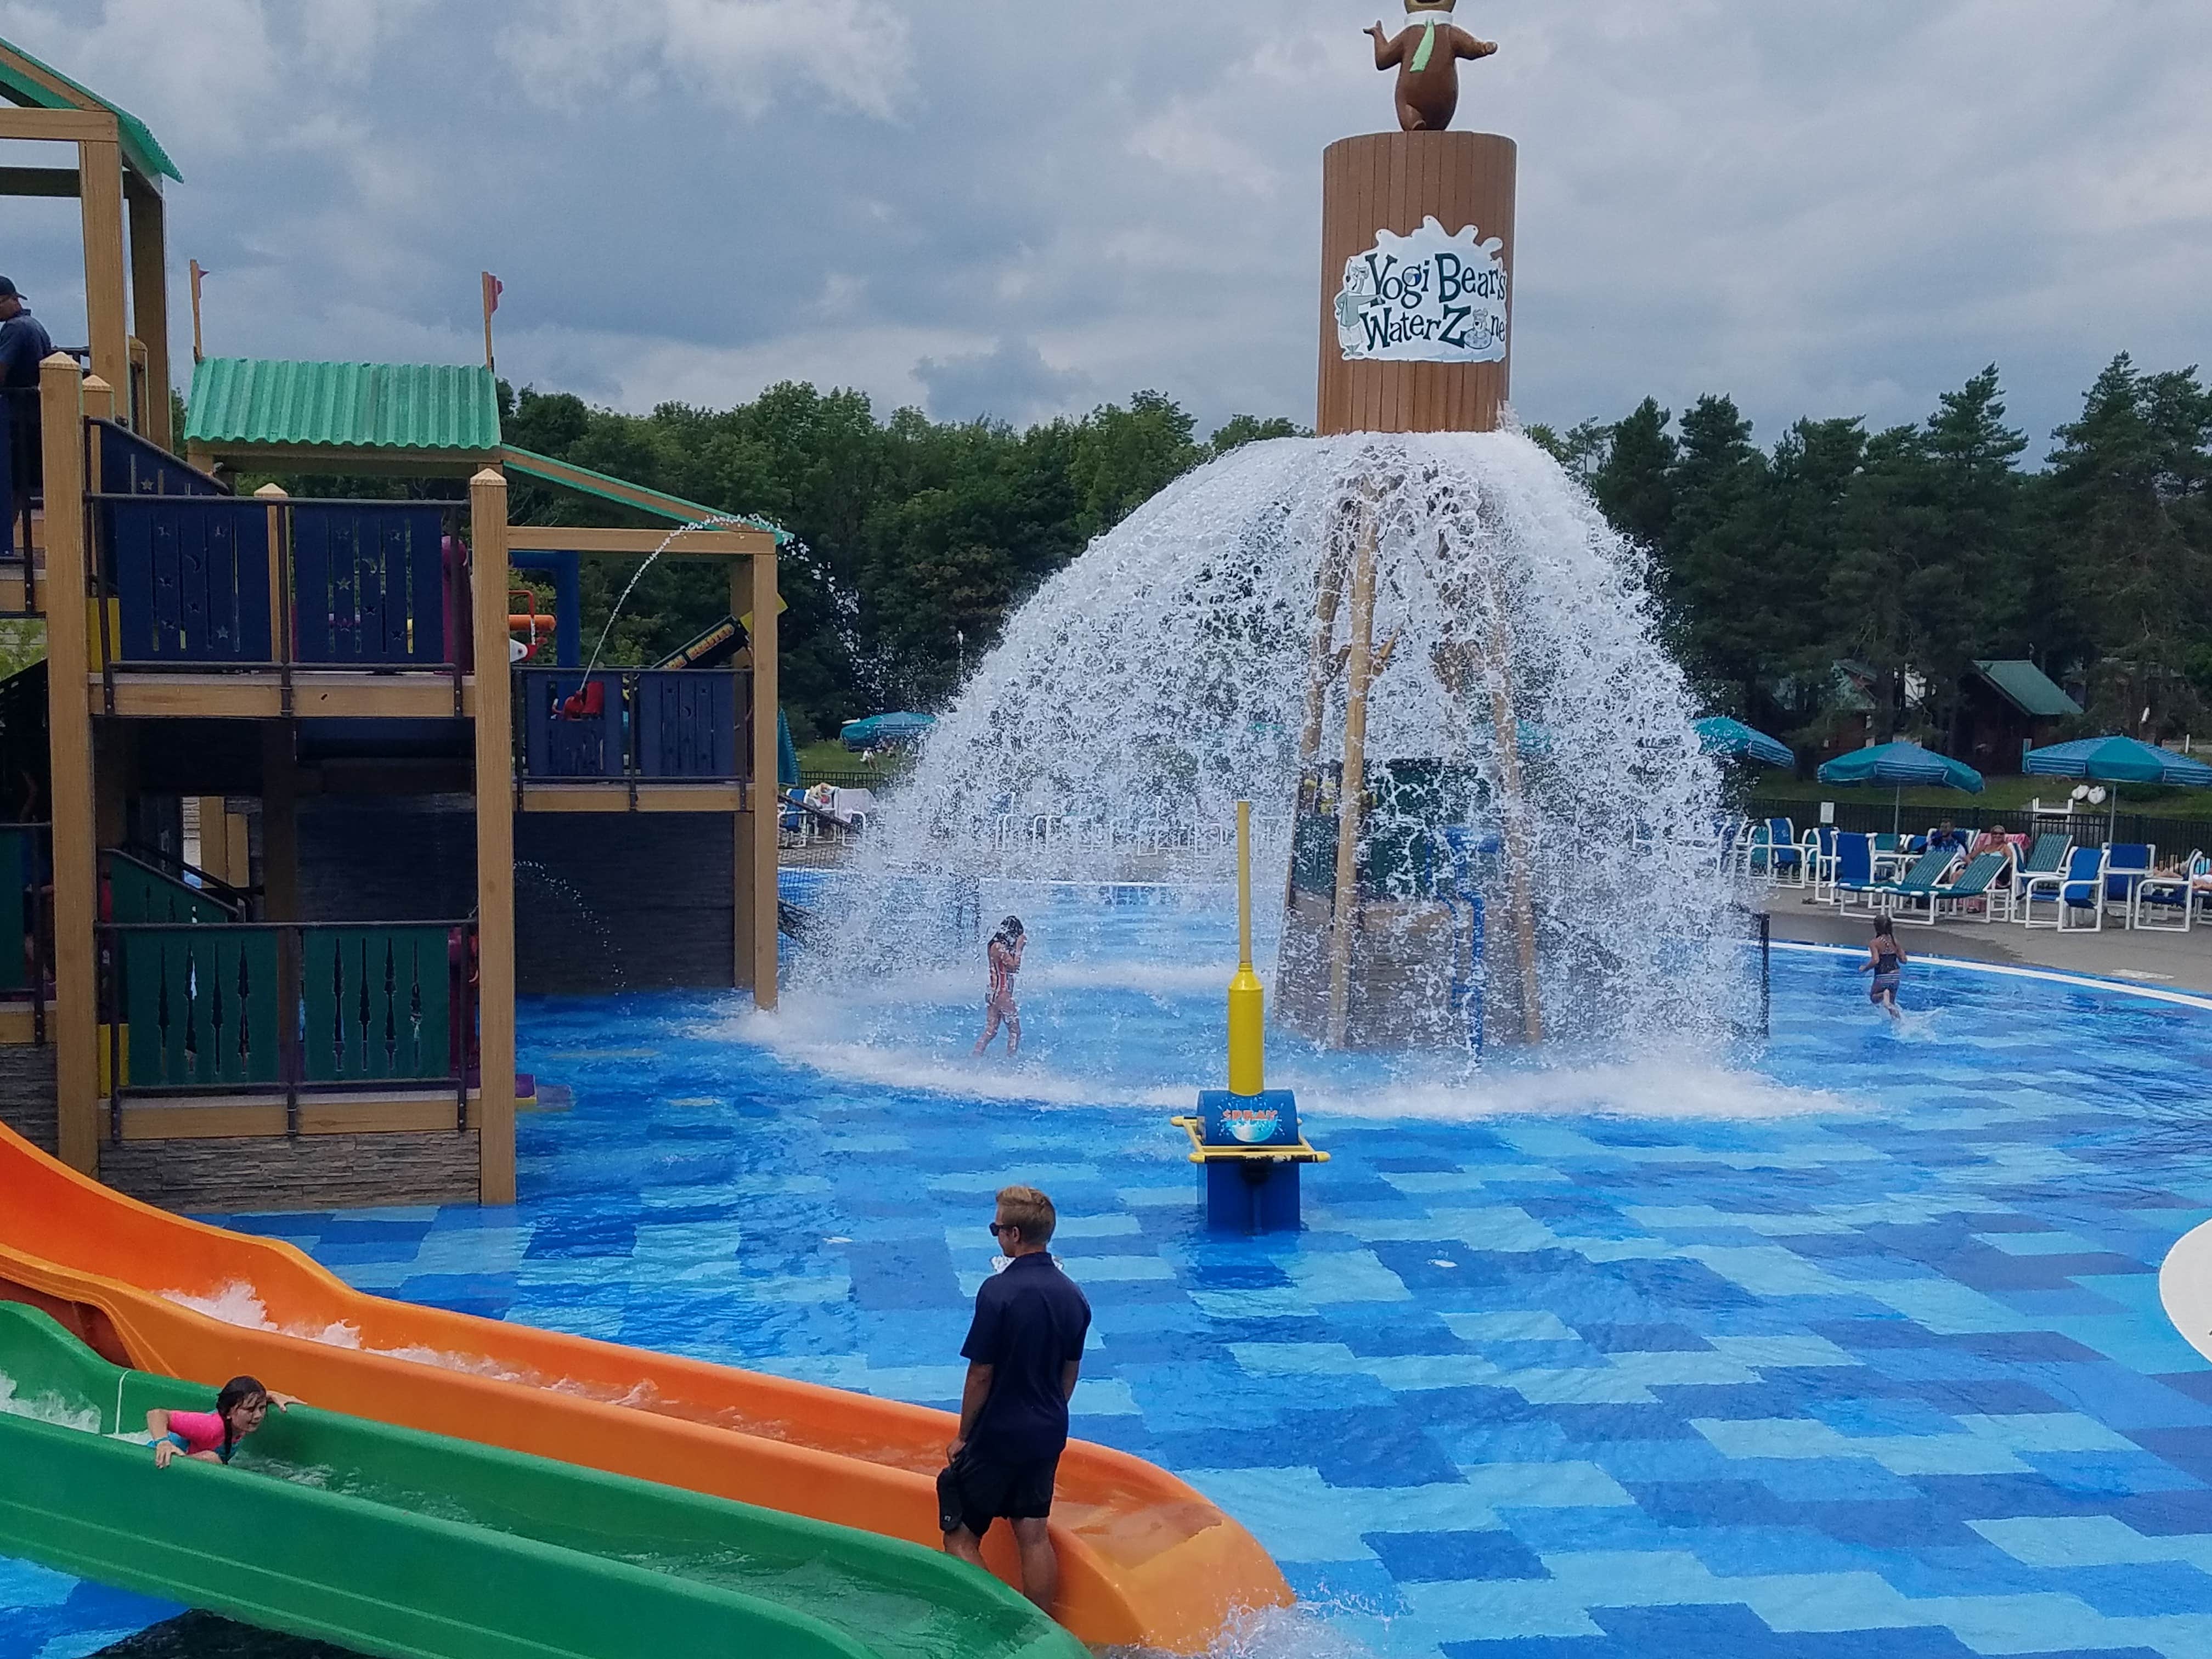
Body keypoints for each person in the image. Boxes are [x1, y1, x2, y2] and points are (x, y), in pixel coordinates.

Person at [940, 1186, 1090, 1611]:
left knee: (960, 1535)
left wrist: (963, 1435)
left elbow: (981, 1373)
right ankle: (1039, 1627)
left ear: (1015, 1235)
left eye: (997, 1229)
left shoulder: (998, 1292)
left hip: (1000, 1433)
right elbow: (1070, 1370)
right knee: (1033, 1533)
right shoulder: (1073, 1295)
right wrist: (1049, 1413)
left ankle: (1000, 1620)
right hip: (1048, 1429)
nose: (997, 1236)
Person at [148, 1375, 298, 1468]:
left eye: (262, 1408)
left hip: (179, 1467)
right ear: (229, 1412)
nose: (258, 1415)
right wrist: (163, 1443)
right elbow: (156, 1414)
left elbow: (250, 1402)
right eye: (251, 1410)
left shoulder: (240, 1421)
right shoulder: (211, 1427)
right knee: (212, 1459)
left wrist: (273, 1395)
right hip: (155, 1462)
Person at [0, 276, 54, 535]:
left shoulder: (14, 329)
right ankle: (5, 537)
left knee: (8, 481)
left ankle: (3, 538)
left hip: (14, 417)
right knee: (18, 485)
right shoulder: (34, 326)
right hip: (32, 415)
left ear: (12, 300)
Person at [973, 915, 1026, 1058]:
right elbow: (1014, 967)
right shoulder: (999, 947)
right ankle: (1011, 1060)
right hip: (1002, 994)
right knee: (1015, 1032)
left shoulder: (994, 945)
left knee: (991, 1031)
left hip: (993, 993)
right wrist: (1019, 948)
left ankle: (975, 1057)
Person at [1859, 915, 1906, 1020]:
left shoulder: (1875, 943)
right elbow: (1904, 960)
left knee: (1874, 998)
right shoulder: (1895, 941)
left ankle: (1884, 994)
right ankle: (1899, 1023)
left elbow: (1876, 960)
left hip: (1883, 974)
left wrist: (1865, 968)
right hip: (1896, 975)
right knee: (1891, 1004)